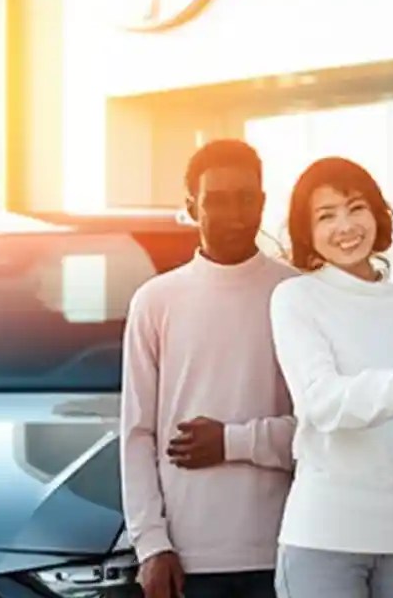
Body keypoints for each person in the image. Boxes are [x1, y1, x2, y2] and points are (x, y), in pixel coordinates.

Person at [267, 156, 393, 598]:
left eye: (356, 208)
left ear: (377, 215)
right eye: (326, 216)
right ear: (307, 230)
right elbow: (320, 402)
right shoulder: (296, 298)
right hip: (324, 534)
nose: (345, 226)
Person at [120, 139, 298, 598]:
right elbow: (137, 434)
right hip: (186, 560)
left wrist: (231, 441)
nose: (235, 215)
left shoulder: (297, 295)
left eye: (246, 199)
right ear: (191, 207)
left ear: (262, 201)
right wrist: (151, 546)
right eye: (216, 200)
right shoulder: (155, 301)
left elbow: (320, 429)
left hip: (288, 548)